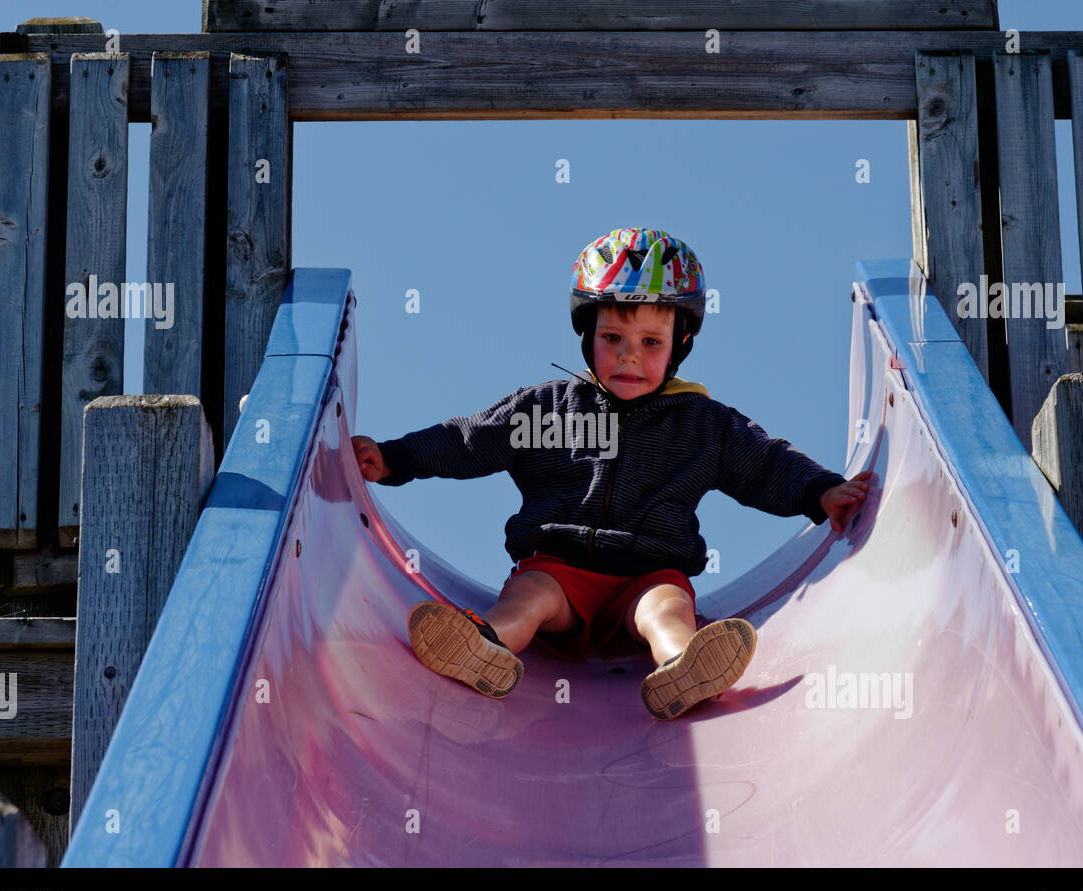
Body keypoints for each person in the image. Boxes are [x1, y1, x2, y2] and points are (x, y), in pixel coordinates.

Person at [353, 226, 871, 719]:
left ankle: (682, 664)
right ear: (587, 337)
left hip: (646, 575)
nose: (629, 357)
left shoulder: (702, 424)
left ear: (680, 346)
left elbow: (764, 461)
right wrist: (395, 457)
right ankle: (485, 645)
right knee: (529, 596)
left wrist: (821, 490)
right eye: (612, 338)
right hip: (558, 570)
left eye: (650, 342)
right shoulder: (548, 410)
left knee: (667, 606)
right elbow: (470, 438)